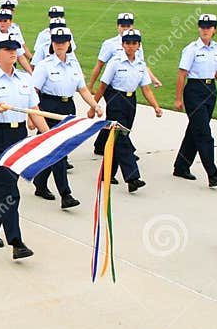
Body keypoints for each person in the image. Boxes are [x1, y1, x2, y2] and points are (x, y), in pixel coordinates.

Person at [0, 36, 48, 259]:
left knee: (4, 187)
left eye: (14, 49)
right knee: (10, 193)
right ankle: (16, 241)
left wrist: (47, 135)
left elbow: (35, 110)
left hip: (19, 136)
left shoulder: (25, 79)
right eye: (6, 49)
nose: (13, 52)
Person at [30, 27, 103, 208]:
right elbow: (33, 92)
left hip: (67, 107)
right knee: (58, 151)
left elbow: (82, 89)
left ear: (69, 43)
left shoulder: (73, 64)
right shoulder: (44, 65)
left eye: (63, 42)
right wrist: (31, 117)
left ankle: (40, 182)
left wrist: (95, 105)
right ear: (52, 44)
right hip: (48, 108)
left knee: (55, 150)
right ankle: (66, 193)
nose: (60, 45)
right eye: (56, 42)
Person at [93, 29, 162, 192]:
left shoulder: (140, 64)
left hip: (131, 101)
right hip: (116, 99)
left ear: (139, 45)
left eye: (134, 43)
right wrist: (94, 106)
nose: (130, 47)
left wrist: (156, 106)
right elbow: (103, 85)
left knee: (118, 138)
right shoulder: (115, 62)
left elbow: (146, 89)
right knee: (122, 138)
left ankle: (107, 173)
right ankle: (132, 177)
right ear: (123, 44)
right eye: (127, 43)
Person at [173, 13, 217, 186]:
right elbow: (182, 74)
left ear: (215, 29)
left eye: (208, 27)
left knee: (195, 130)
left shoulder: (216, 49)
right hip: (194, 91)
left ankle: (181, 166)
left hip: (210, 91)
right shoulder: (191, 49)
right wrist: (178, 98)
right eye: (202, 26)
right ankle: (212, 173)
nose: (205, 30)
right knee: (204, 134)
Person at [88, 12, 162, 156]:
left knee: (114, 119)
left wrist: (153, 78)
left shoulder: (136, 43)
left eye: (128, 25)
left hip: (128, 86)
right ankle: (126, 151)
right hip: (112, 87)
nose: (125, 28)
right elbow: (99, 66)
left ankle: (101, 145)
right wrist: (90, 87)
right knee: (118, 118)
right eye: (122, 25)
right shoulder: (109, 44)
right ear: (117, 27)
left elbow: (141, 65)